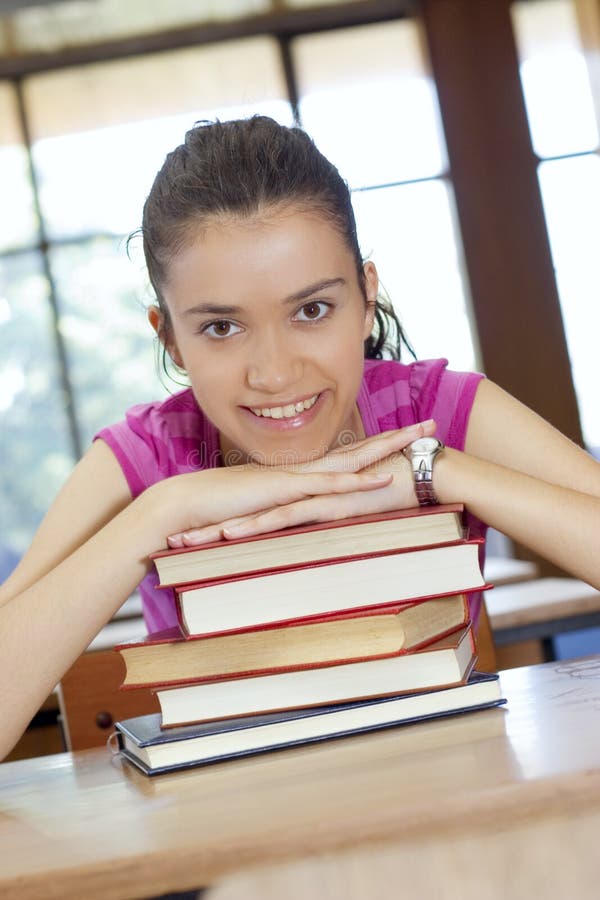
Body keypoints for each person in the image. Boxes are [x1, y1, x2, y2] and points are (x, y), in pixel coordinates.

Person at [1, 115, 600, 761]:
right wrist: (164, 509)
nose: (276, 374)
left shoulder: (434, 409)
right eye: (222, 328)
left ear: (367, 297)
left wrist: (435, 472)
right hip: (236, 828)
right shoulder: (146, 456)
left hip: (456, 799)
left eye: (311, 310)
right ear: (168, 335)